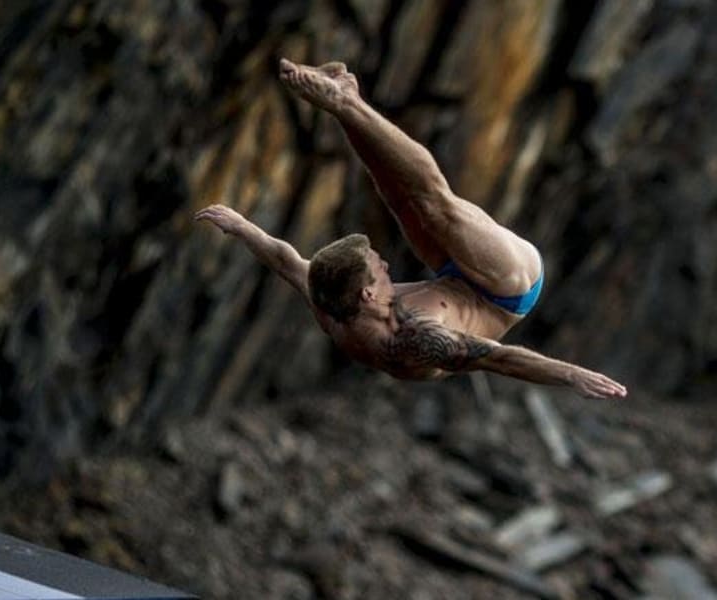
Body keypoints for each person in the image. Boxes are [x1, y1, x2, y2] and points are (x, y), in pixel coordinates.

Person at [194, 58, 626, 399]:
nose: (384, 261)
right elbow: (501, 360)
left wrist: (240, 226)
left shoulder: (330, 302)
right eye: (376, 267)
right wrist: (571, 375)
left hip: (452, 280)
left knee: (396, 196)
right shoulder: (415, 338)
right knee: (436, 206)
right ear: (367, 293)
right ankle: (347, 103)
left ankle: (344, 101)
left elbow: (285, 259)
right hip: (506, 289)